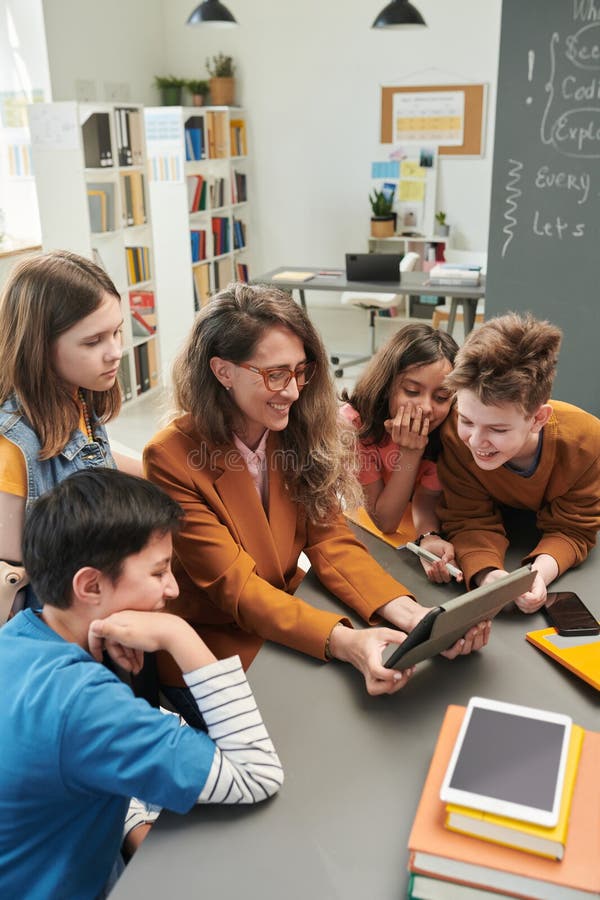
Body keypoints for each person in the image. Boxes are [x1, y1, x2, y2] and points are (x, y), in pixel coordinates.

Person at [144, 283, 490, 704]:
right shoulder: (170, 457)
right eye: (275, 374)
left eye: (300, 370)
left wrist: (410, 614)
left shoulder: (295, 429)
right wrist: (345, 641)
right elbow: (239, 589)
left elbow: (330, 540)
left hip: (287, 618)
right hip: (216, 647)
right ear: (223, 371)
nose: (292, 390)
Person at [0, 469, 283, 899]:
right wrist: (179, 635)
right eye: (159, 572)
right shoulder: (86, 703)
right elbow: (256, 774)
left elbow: (79, 763)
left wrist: (129, 822)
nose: (171, 589)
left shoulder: (20, 634)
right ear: (91, 584)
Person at [0, 250, 140, 613]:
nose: (115, 352)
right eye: (93, 342)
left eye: (117, 332)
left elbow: (93, 460)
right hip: (60, 620)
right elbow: (17, 567)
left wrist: (169, 469)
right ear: (40, 347)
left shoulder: (74, 391)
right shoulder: (12, 447)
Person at [437, 312, 600, 612]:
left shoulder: (586, 442)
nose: (475, 440)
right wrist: (490, 577)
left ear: (538, 419)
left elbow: (574, 529)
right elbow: (467, 518)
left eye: (498, 429)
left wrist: (539, 574)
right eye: (467, 420)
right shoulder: (453, 434)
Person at [340, 323, 460, 582]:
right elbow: (385, 521)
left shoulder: (452, 426)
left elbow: (427, 497)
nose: (425, 408)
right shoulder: (356, 426)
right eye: (412, 391)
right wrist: (410, 453)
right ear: (387, 384)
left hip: (414, 529)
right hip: (368, 535)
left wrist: (428, 537)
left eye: (441, 397)